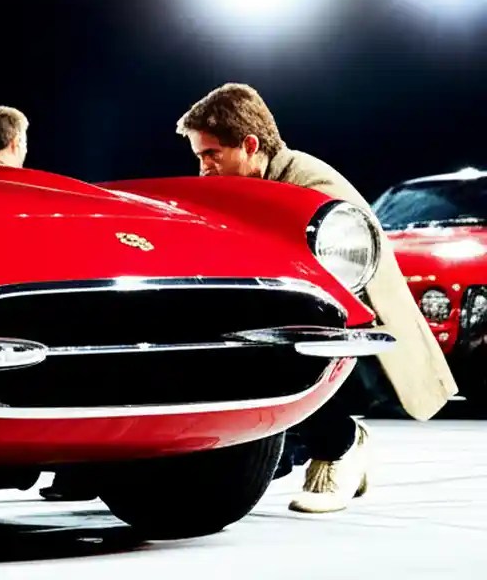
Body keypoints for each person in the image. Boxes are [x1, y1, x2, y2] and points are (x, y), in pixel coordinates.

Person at [175, 82, 458, 513]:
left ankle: (342, 445)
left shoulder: (312, 187)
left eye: (212, 155)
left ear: (250, 145)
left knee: (271, 352)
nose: (204, 169)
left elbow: (338, 291)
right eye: (200, 157)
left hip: (354, 327)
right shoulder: (252, 183)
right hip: (312, 316)